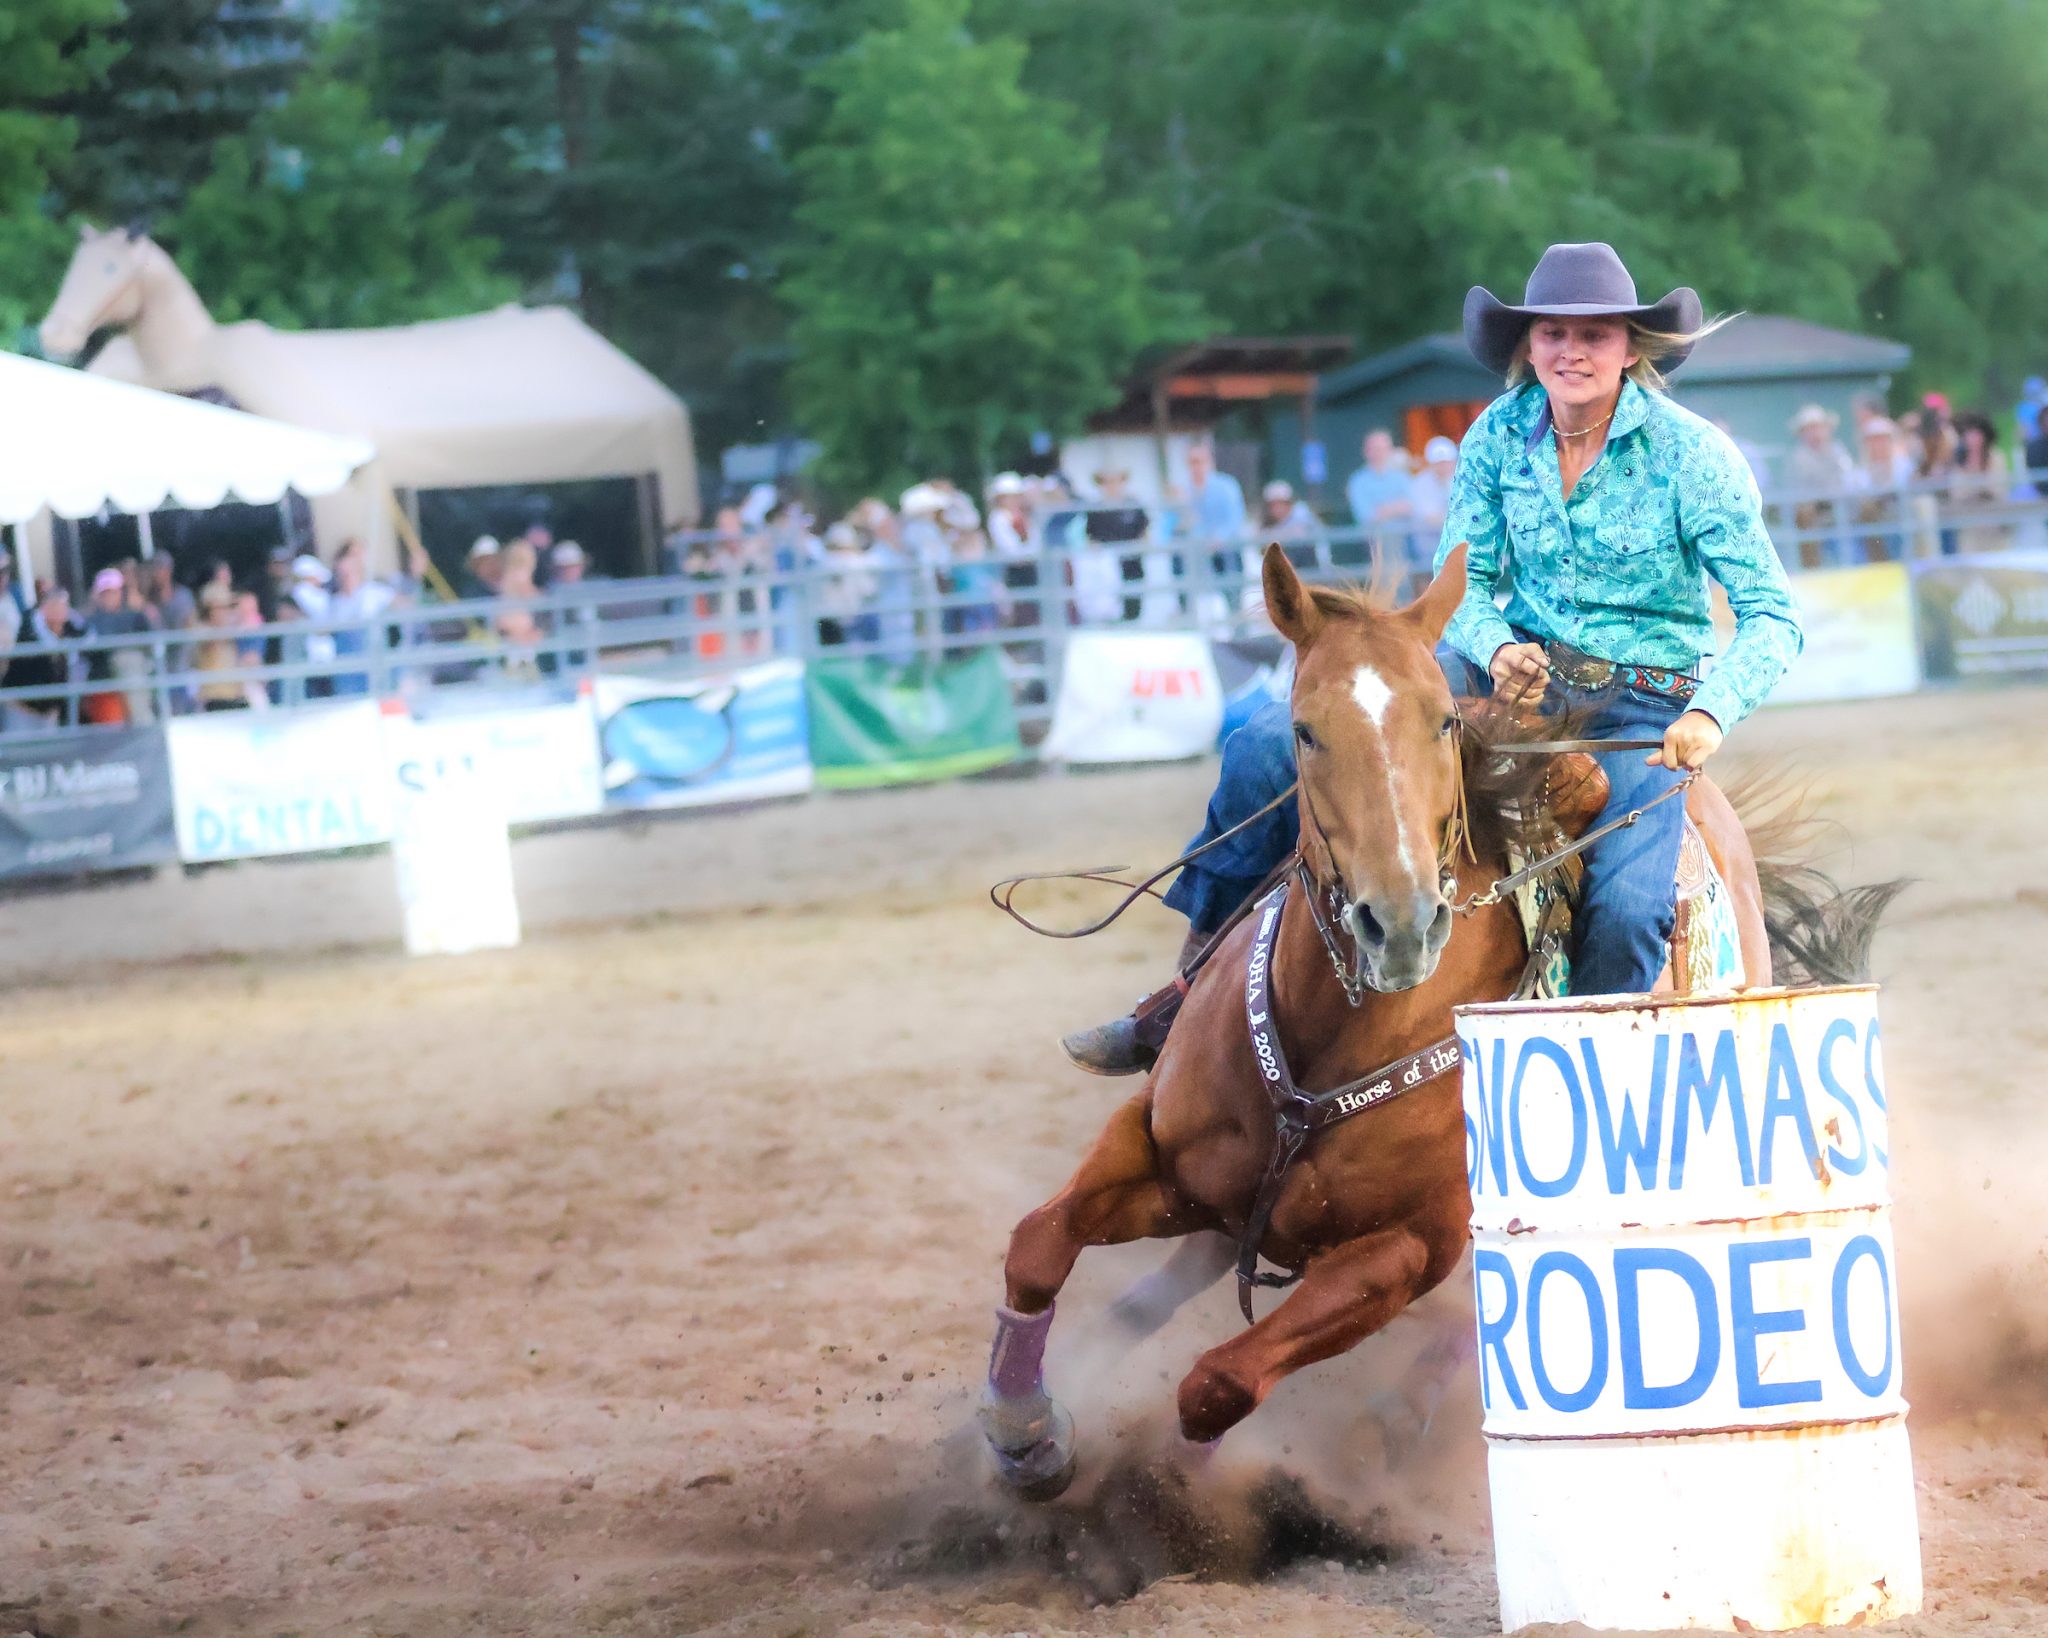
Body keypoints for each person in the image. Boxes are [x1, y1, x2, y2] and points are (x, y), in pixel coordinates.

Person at [1063, 239, 1803, 1075]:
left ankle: (1596, 1072)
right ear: (1528, 346)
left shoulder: (1692, 456)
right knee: (1266, 744)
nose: (1572, 351)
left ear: (1631, 347)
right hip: (1499, 675)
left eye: (1594, 334)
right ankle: (1186, 992)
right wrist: (1498, 646)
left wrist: (1710, 713)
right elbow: (1466, 580)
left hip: (1637, 710)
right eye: (1553, 333)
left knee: (1630, 907)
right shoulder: (1497, 435)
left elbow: (1773, 616)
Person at [80, 566, 153, 724]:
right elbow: (87, 654)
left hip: (135, 676)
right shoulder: (90, 621)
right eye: (105, 593)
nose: (110, 597)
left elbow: (154, 641)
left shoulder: (135, 615)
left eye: (113, 592)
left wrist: (144, 607)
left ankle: (142, 722)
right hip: (104, 681)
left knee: (130, 661)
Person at [6, 583, 87, 725]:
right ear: (44, 608)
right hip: (21, 705)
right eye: (56, 606)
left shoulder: (72, 627)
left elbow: (88, 638)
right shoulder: (27, 628)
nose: (61, 611)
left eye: (64, 606)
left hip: (50, 709)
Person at [1344, 429, 1418, 559]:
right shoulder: (1358, 482)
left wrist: (1385, 509)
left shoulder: (1401, 477)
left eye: (1383, 449)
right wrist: (1397, 507)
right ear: (1366, 451)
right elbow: (1366, 516)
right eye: (1376, 449)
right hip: (1375, 540)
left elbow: (1412, 507)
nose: (1380, 453)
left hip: (1408, 535)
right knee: (1388, 540)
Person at [1950, 412, 2012, 554]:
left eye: (1975, 433)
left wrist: (1980, 491)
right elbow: (1957, 492)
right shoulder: (1960, 461)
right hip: (1970, 523)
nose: (1971, 438)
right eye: (1968, 434)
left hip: (1994, 522)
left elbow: (1998, 488)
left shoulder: (1996, 457)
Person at [1407, 435, 1462, 538]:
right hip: (1428, 538)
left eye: (1448, 462)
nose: (1444, 466)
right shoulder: (1420, 483)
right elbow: (1429, 518)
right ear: (1430, 464)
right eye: (1439, 463)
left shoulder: (1463, 480)